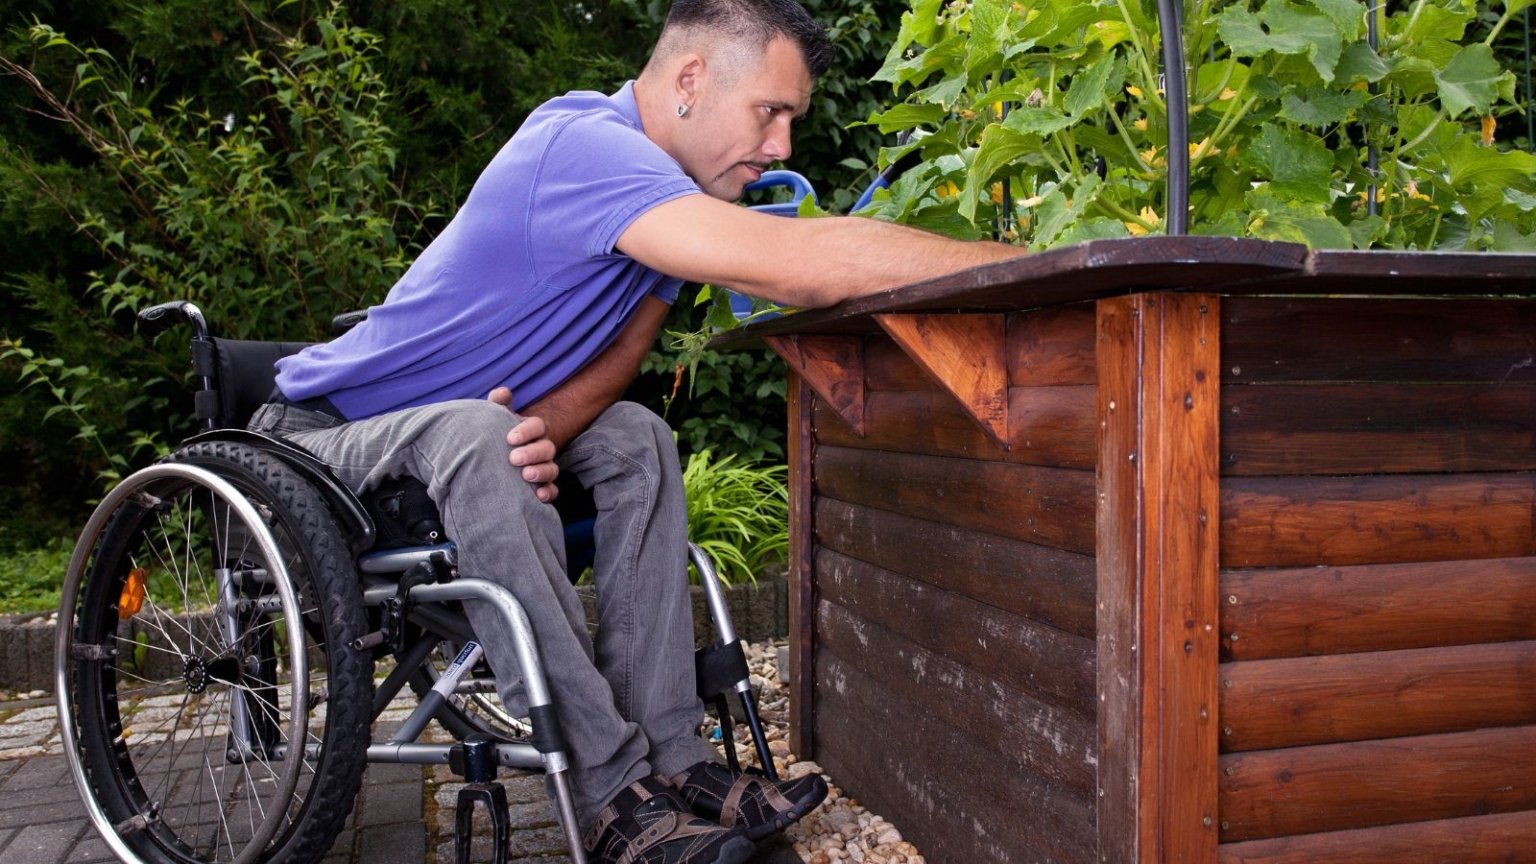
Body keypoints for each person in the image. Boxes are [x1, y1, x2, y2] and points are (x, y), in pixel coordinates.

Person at [247, 1, 1022, 862]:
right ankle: (607, 791)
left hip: (455, 445)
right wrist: (1026, 266)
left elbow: (617, 362)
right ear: (691, 81)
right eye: (772, 112)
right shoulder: (586, 147)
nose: (782, 149)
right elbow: (805, 265)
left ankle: (675, 758)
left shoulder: (666, 209)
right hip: (317, 447)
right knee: (475, 433)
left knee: (636, 436)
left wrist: (532, 434)